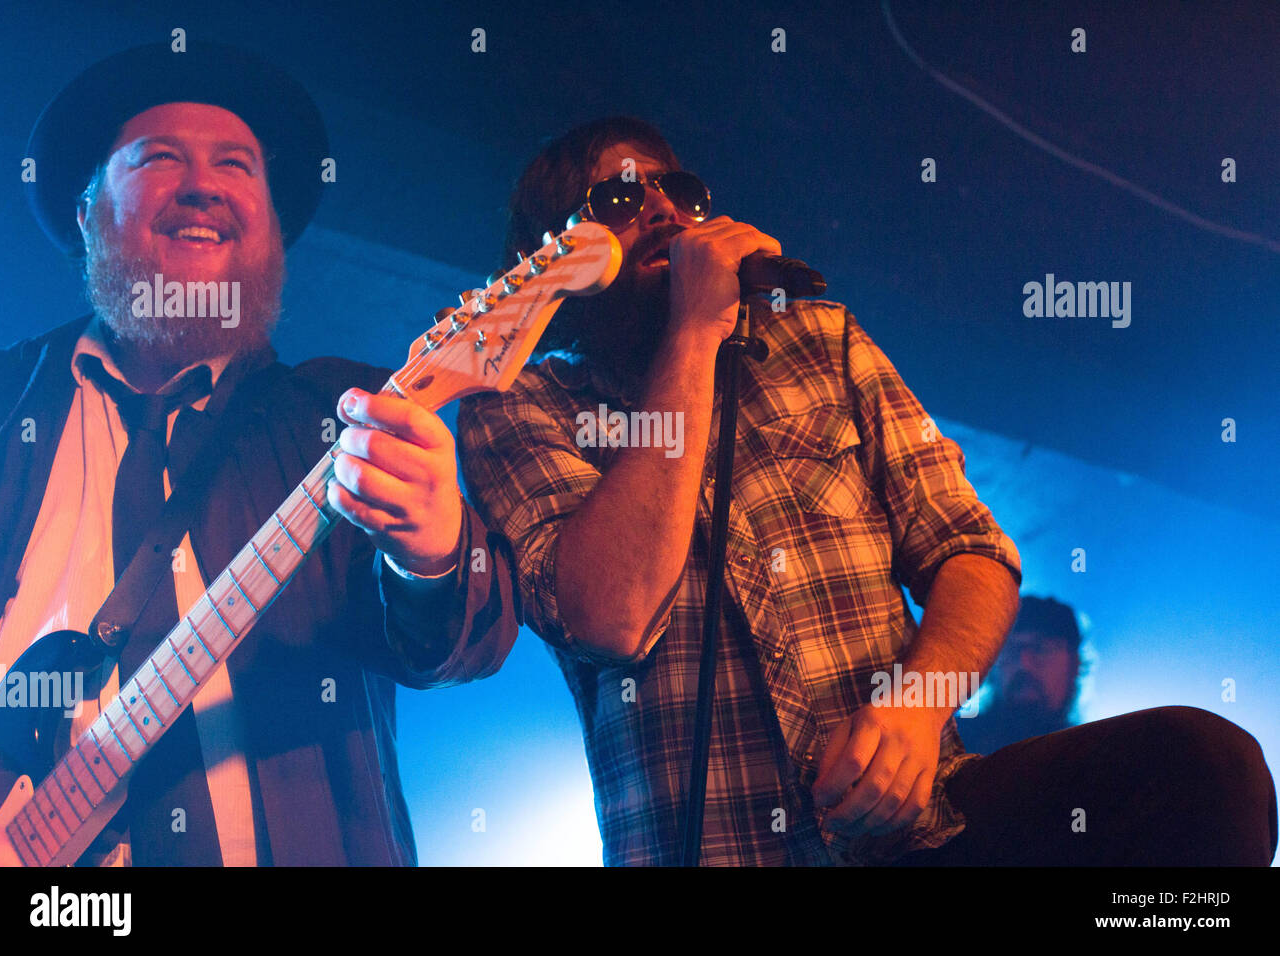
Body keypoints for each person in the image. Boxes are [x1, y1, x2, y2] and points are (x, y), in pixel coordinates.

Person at [458, 116, 1277, 866]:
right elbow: (611, 613)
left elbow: (971, 549)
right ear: (554, 247)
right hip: (716, 850)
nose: (666, 210)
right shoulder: (522, 408)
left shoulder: (823, 342)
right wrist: (695, 333)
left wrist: (916, 707)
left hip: (919, 834)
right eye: (623, 196)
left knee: (1206, 769)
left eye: (680, 191)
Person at [0, 41, 518, 866]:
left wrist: (436, 558)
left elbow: (465, 644)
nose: (205, 185)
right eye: (161, 158)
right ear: (85, 212)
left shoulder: (340, 416)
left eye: (239, 165)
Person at [956, 596, 1084, 755]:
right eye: (1010, 649)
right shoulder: (951, 745)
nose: (1024, 663)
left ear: (1074, 664)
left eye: (1041, 649)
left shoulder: (1095, 756)